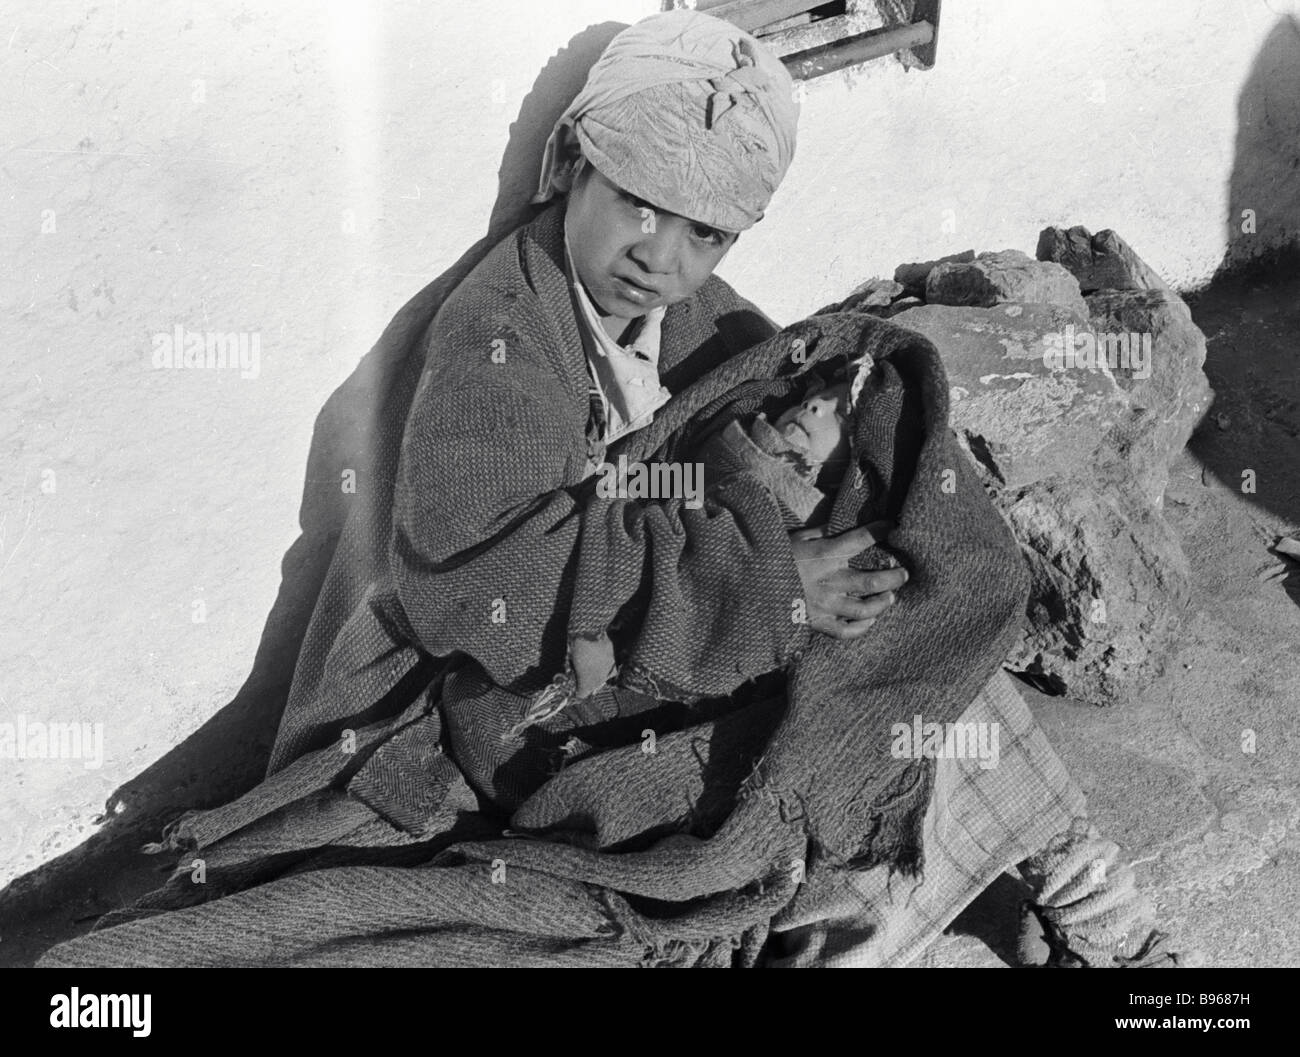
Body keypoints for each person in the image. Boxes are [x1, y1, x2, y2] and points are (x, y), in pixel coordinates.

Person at [38, 8, 1183, 968]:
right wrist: (773, 586)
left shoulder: (682, 309)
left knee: (920, 636)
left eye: (704, 234)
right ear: (571, 165)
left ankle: (1090, 904)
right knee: (760, 774)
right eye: (636, 200)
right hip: (492, 697)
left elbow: (748, 397)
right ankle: (887, 889)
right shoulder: (499, 339)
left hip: (661, 621)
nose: (661, 253)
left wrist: (835, 485)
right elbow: (479, 586)